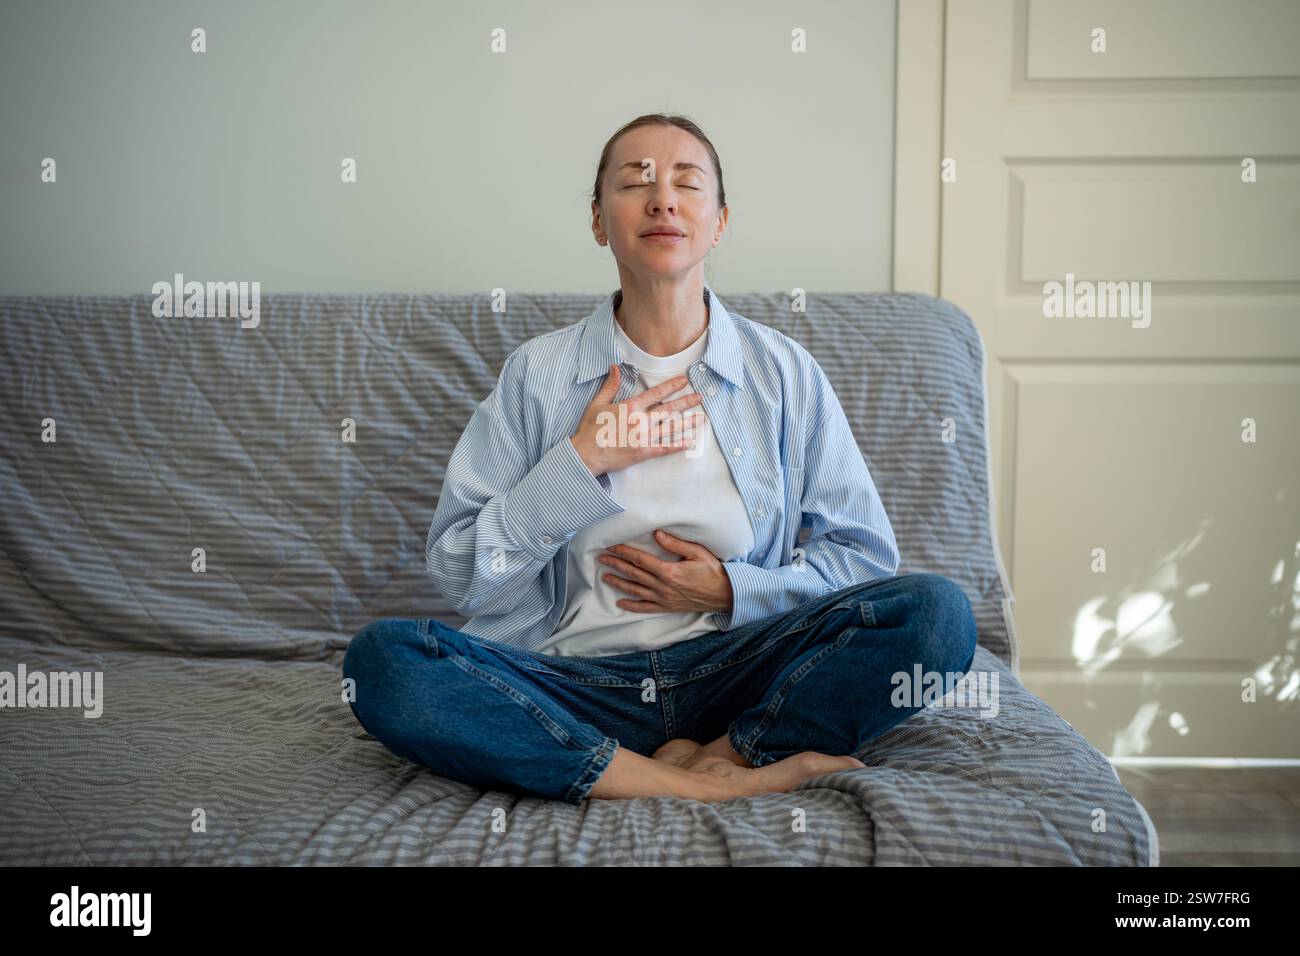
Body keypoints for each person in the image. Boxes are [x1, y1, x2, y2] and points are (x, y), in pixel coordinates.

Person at [343, 113, 978, 805]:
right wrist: (581, 462)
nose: (663, 199)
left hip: (737, 672)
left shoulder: (785, 374)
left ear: (719, 221)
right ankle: (703, 786)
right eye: (635, 181)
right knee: (384, 663)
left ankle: (730, 751)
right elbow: (462, 573)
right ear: (598, 221)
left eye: (687, 183)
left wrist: (731, 590)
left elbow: (864, 560)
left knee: (937, 614)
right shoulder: (538, 375)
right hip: (575, 681)